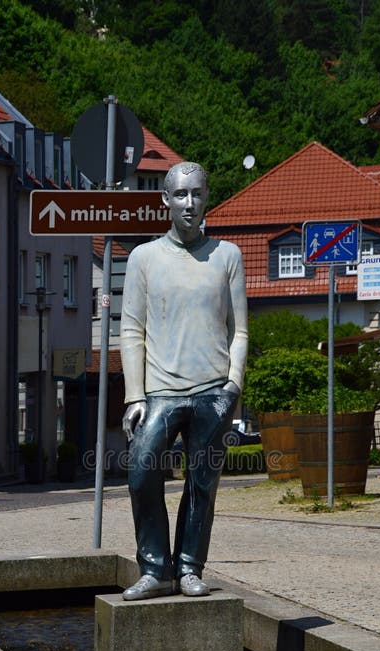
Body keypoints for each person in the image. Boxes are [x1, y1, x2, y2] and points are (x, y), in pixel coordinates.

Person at [120, 161, 248, 600]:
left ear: (206, 196)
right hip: (160, 391)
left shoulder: (227, 256)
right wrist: (133, 395)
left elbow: (240, 330)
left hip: (213, 391)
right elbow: (130, 330)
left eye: (196, 193)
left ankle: (189, 567)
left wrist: (233, 386)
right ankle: (156, 569)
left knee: (201, 483)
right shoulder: (144, 258)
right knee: (141, 473)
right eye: (180, 195)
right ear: (165, 200)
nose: (189, 203)